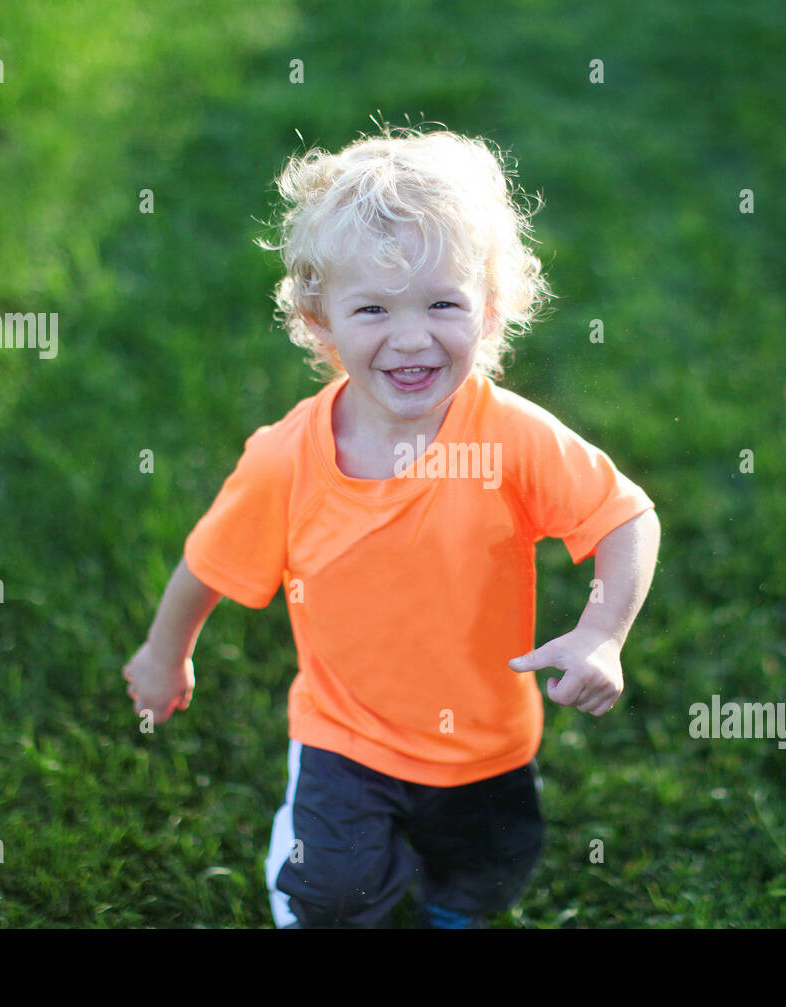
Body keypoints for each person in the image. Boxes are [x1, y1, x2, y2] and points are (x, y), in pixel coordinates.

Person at [122, 124, 661, 928]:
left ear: (489, 312)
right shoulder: (285, 460)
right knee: (335, 893)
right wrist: (165, 657)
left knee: (485, 876)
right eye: (373, 309)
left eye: (443, 303)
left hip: (488, 739)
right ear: (319, 321)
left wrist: (601, 632)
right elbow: (208, 563)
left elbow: (625, 515)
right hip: (346, 734)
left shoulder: (511, 436)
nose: (412, 338)